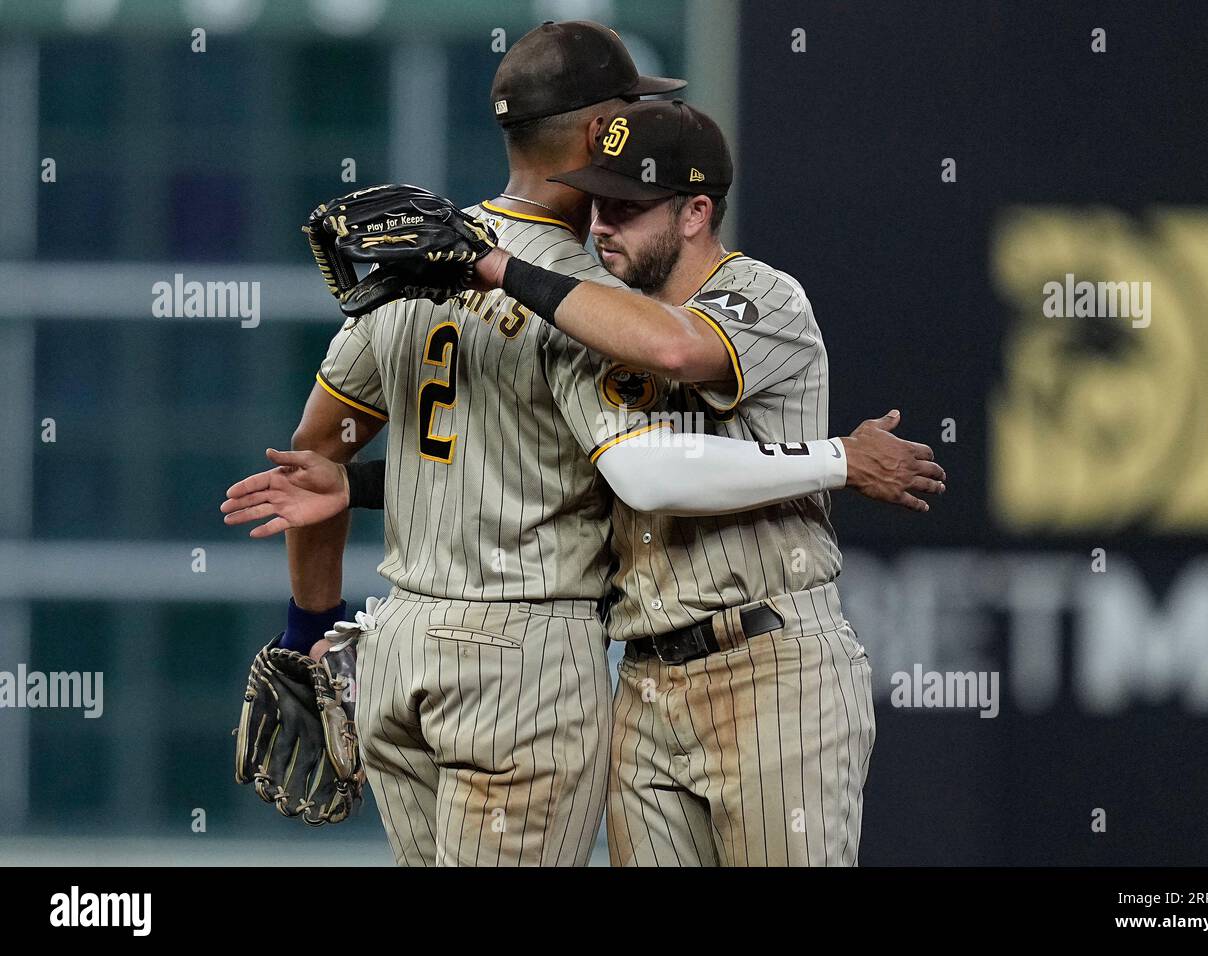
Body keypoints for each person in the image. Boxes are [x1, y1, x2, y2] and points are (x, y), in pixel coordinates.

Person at [225, 93, 947, 866]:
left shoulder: (762, 296)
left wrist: (836, 458)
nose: (602, 224)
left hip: (770, 666)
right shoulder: (598, 322)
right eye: (597, 202)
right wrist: (366, 486)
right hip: (645, 680)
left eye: (629, 208)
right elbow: (577, 467)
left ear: (696, 212)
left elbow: (654, 451)